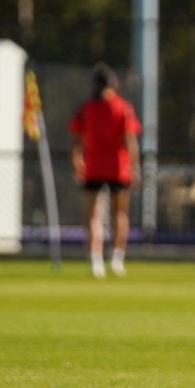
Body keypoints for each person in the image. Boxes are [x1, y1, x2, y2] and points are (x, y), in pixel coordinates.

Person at [68, 63, 141, 279]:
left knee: (93, 215)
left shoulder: (85, 109)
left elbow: (75, 141)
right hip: (118, 168)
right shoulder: (123, 108)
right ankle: (116, 258)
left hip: (94, 168)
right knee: (118, 213)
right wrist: (134, 167)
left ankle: (95, 261)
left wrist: (76, 162)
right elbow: (130, 141)